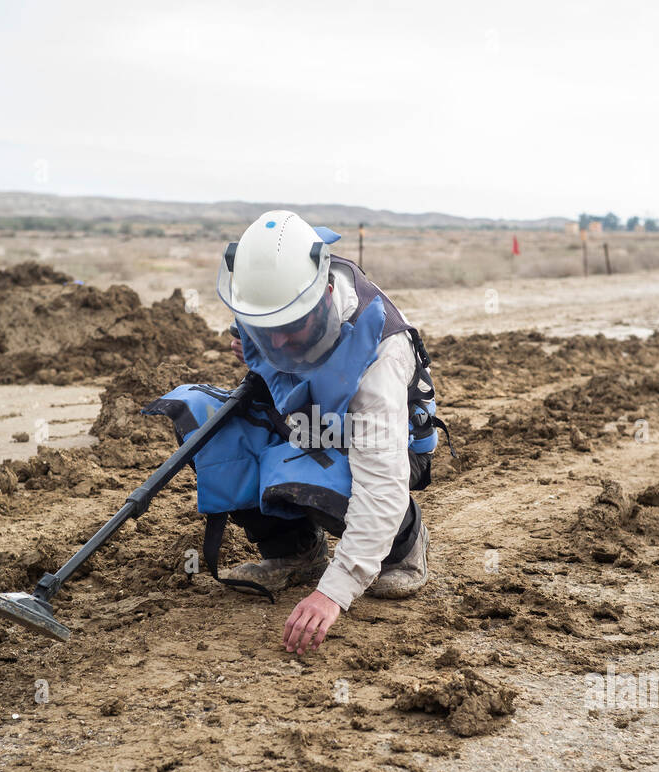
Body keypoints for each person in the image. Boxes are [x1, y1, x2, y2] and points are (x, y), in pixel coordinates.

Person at [143, 211, 448, 656]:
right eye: (268, 331)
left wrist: (334, 593)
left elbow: (381, 484)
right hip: (313, 418)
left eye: (290, 328)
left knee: (301, 474)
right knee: (209, 423)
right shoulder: (269, 298)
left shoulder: (379, 357)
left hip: (389, 447)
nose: (279, 343)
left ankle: (403, 545)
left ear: (324, 295)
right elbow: (272, 352)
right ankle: (294, 551)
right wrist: (253, 346)